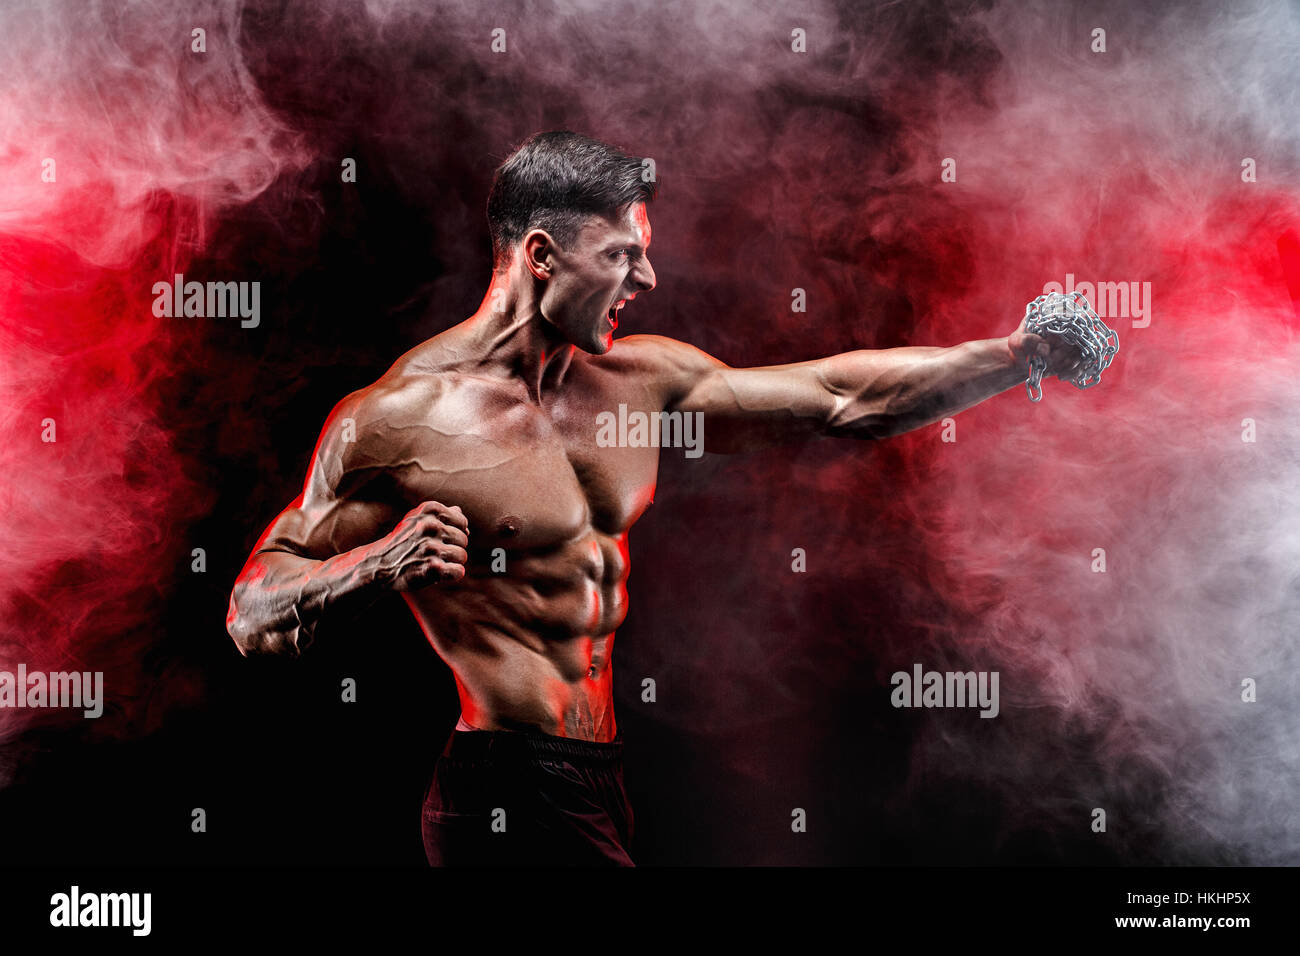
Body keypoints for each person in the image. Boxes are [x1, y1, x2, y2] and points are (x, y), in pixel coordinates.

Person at [225, 130, 1084, 866]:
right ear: (540, 256)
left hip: (600, 774)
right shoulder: (394, 420)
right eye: (622, 255)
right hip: (505, 792)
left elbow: (838, 397)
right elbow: (251, 611)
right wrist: (375, 564)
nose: (648, 278)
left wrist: (1014, 356)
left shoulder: (640, 383)